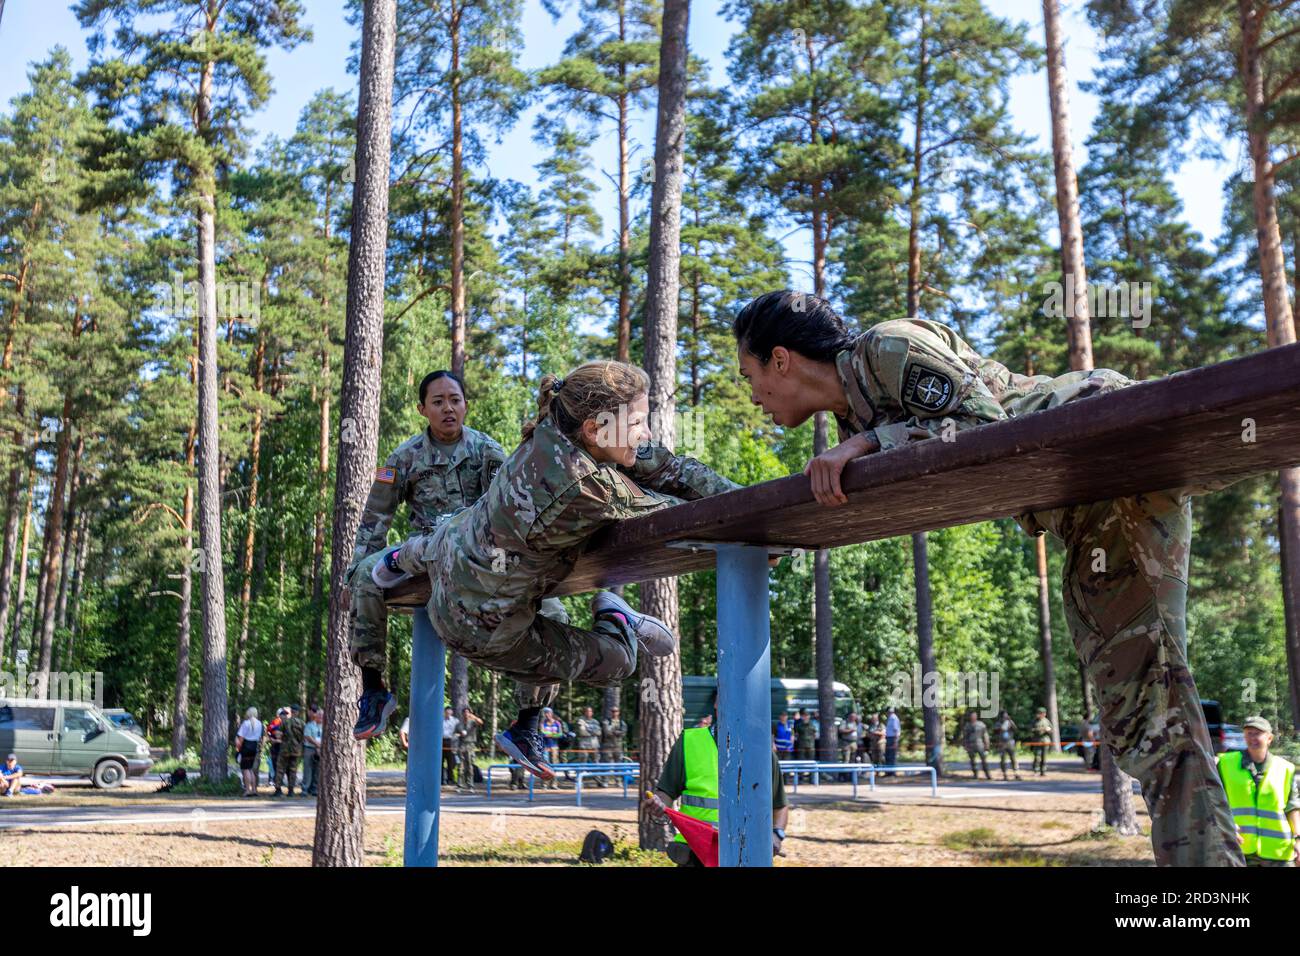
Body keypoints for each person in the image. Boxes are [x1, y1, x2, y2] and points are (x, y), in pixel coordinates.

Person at [732, 290, 1244, 866]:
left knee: (1154, 717)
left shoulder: (886, 347)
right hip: (1085, 507)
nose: (752, 396)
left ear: (781, 359)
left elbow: (982, 424)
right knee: (1140, 719)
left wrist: (869, 442)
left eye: (749, 373)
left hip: (1108, 445)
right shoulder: (856, 404)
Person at [371, 361, 736, 782]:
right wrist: (749, 508)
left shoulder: (548, 430)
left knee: (479, 552)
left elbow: (665, 465)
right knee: (619, 662)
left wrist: (736, 494)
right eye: (637, 422)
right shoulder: (584, 486)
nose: (647, 433)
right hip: (485, 633)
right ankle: (614, 616)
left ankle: (402, 558)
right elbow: (680, 515)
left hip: (454, 586)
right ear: (595, 430)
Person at [344, 370, 515, 741]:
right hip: (419, 552)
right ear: (423, 409)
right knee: (363, 576)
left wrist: (507, 561)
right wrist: (359, 562)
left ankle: (527, 720)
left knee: (532, 592)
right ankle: (374, 689)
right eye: (438, 402)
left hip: (474, 552)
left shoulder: (488, 452)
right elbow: (376, 515)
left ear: (466, 405)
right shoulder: (404, 457)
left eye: (455, 400)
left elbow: (507, 513)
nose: (448, 408)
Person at [644, 699, 791, 866]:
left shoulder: (762, 751)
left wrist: (777, 835)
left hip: (746, 853)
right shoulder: (689, 742)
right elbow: (665, 793)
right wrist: (658, 804)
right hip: (696, 854)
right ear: (715, 704)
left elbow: (779, 806)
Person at [1215, 716, 1299, 866]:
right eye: (1249, 733)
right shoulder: (1225, 763)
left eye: (1257, 733)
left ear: (1269, 738)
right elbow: (1215, 801)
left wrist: (1298, 839)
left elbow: (1292, 807)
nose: (1252, 738)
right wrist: (1227, 826)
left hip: (1279, 851)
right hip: (1240, 848)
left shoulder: (1285, 768)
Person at [276, 705, 305, 797]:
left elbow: (278, 735)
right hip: (296, 750)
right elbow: (304, 737)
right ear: (298, 712)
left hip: (285, 749)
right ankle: (291, 790)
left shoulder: (285, 722)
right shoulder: (302, 723)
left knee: (280, 769)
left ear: (291, 711)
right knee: (293, 770)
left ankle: (278, 790)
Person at [234, 706, 263, 797]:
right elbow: (260, 737)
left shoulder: (246, 723)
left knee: (245, 769)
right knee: (250, 769)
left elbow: (241, 738)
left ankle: (247, 790)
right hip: (254, 746)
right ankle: (254, 789)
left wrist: (238, 748)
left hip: (246, 746)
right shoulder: (260, 724)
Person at [455, 706, 483, 794]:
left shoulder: (472, 722)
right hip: (462, 745)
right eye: (465, 712)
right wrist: (459, 734)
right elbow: (455, 733)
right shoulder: (459, 724)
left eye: (467, 712)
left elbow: (481, 722)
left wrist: (473, 716)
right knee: (461, 766)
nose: (466, 714)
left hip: (470, 745)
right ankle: (459, 785)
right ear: (462, 714)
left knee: (470, 766)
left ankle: (470, 785)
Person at [575, 706, 603, 786]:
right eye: (587, 711)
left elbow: (599, 732)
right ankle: (580, 781)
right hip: (584, 744)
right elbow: (582, 732)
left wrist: (590, 731)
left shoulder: (595, 721)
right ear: (585, 712)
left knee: (596, 762)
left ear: (592, 713)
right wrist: (592, 731)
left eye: (590, 711)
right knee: (582, 762)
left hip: (594, 744)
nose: (589, 713)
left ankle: (598, 780)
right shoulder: (581, 720)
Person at [962, 710, 992, 780]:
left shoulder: (981, 724)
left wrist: (987, 745)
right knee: (973, 761)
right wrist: (965, 745)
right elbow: (965, 737)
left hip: (979, 744)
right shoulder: (967, 725)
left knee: (984, 760)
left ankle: (987, 775)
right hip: (970, 745)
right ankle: (975, 775)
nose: (973, 717)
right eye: (972, 716)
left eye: (975, 715)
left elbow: (985, 735)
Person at [540, 708, 565, 790]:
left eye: (548, 713)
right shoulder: (542, 723)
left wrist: (550, 735)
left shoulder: (557, 723)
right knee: (545, 765)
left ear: (551, 713)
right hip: (545, 747)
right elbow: (542, 733)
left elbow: (560, 734)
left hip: (554, 746)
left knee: (554, 764)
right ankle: (544, 784)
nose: (547, 715)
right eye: (545, 713)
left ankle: (554, 784)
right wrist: (553, 734)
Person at [992, 709, 1021, 781]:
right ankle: (1004, 774)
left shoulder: (1009, 722)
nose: (1005, 717)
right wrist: (1001, 728)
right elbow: (995, 731)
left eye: (1006, 715)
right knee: (1003, 759)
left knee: (1013, 758)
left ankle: (1016, 773)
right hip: (1002, 743)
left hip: (1010, 742)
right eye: (1004, 716)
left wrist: (1010, 721)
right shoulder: (998, 723)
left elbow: (1015, 729)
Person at [302, 706, 322, 796]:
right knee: (308, 769)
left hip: (320, 750)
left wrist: (320, 747)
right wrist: (317, 745)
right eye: (319, 715)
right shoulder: (309, 725)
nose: (321, 717)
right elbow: (307, 737)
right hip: (309, 749)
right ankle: (305, 789)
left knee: (318, 769)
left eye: (322, 715)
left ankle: (314, 788)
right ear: (315, 716)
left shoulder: (324, 726)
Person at [265, 709, 284, 788]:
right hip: (276, 745)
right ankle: (274, 780)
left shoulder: (279, 721)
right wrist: (272, 738)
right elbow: (270, 730)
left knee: (275, 763)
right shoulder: (277, 721)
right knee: (274, 763)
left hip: (277, 744)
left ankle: (275, 780)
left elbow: (269, 730)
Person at [1030, 707, 1052, 776]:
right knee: (1037, 756)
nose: (1042, 714)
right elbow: (1031, 729)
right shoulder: (1035, 721)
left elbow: (1051, 730)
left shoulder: (1047, 721)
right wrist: (1040, 730)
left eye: (1043, 713)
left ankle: (1043, 771)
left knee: (1044, 757)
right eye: (1040, 713)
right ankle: (1036, 770)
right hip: (1037, 741)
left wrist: (1048, 730)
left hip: (1045, 741)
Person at [440, 706, 458, 786]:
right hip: (441, 741)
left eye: (449, 712)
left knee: (451, 762)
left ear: (451, 712)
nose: (447, 714)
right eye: (446, 712)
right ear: (444, 712)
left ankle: (450, 779)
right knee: (441, 762)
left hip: (451, 742)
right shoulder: (440, 720)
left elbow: (459, 729)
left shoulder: (455, 721)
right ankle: (441, 780)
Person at [884, 707, 901, 774]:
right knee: (888, 756)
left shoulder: (893, 718)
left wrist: (895, 741)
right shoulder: (890, 718)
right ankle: (888, 771)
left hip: (892, 738)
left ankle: (892, 772)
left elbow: (896, 730)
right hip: (889, 738)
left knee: (891, 756)